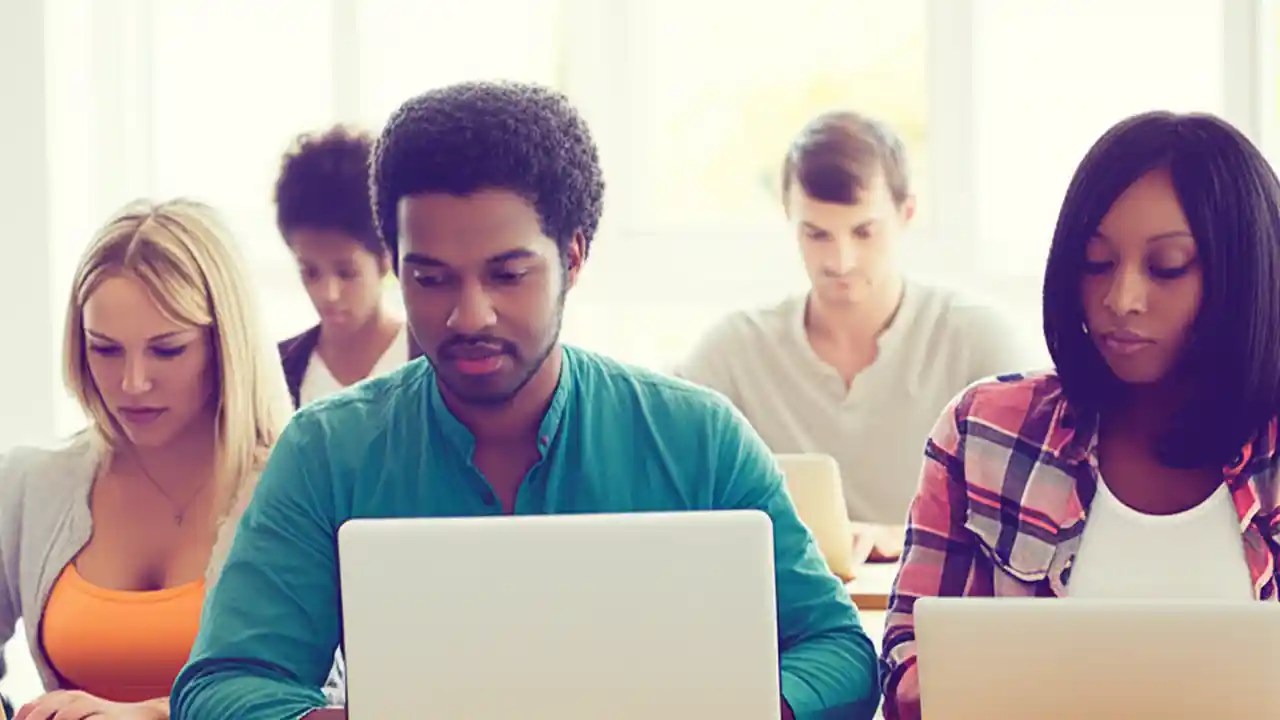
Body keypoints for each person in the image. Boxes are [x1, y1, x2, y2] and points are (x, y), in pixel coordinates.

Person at [170, 81, 880, 720]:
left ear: (573, 257)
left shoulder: (696, 437)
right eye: (432, 278)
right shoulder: (329, 449)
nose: (468, 314)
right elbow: (222, 686)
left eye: (507, 275)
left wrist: (742, 709)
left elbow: (839, 652)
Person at [880, 111, 1280, 719]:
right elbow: (907, 659)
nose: (1122, 300)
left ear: (1245, 272)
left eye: (1168, 266)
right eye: (1095, 262)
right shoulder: (985, 431)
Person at [675, 111, 1042, 561]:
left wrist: (903, 536)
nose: (841, 260)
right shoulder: (735, 348)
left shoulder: (979, 339)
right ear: (789, 217)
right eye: (817, 234)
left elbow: (1034, 510)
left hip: (934, 607)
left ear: (906, 214)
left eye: (864, 232)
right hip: (786, 612)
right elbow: (666, 477)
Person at [0, 200, 292, 720]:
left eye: (168, 350)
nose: (133, 383)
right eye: (105, 350)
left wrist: (153, 715)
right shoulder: (31, 484)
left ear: (225, 344)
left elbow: (333, 697)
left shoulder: (294, 487)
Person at [273, 125, 422, 408]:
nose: (328, 293)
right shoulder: (276, 372)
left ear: (386, 258)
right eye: (310, 271)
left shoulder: (434, 362)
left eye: (346, 272)